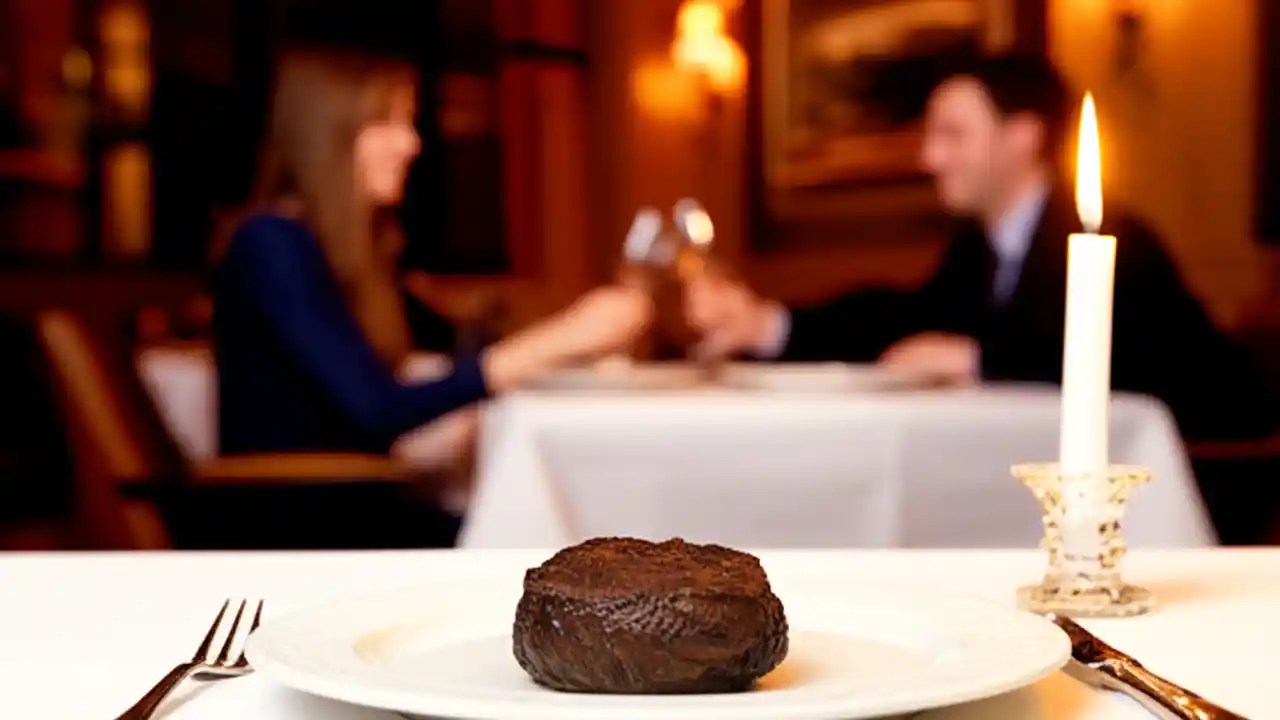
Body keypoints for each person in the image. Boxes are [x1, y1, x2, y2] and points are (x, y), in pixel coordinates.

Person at [687, 54, 1270, 441]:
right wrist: (769, 325)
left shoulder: (1115, 240)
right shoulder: (979, 246)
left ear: (1023, 137)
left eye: (953, 134)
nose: (929, 158)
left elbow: (1137, 360)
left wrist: (976, 358)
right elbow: (905, 318)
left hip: (1203, 486)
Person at [206, 50, 650, 547]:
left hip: (348, 508)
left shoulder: (339, 252)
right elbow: (377, 410)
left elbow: (417, 373)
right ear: (327, 134)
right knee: (548, 541)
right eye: (386, 123)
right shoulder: (271, 244)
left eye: (408, 123)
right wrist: (556, 342)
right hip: (298, 528)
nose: (411, 143)